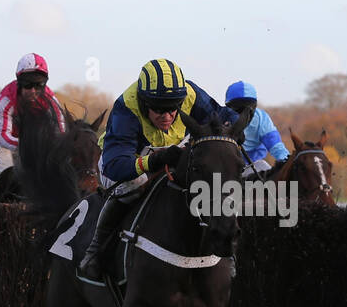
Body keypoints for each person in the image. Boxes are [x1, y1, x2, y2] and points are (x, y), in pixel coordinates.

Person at [77, 59, 236, 283]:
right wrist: (154, 161)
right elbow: (116, 165)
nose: (167, 116)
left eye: (173, 108)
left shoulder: (191, 94)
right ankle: (95, 250)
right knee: (134, 185)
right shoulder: (126, 107)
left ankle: (225, 248)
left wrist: (235, 127)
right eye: (159, 109)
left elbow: (224, 117)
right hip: (122, 161)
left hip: (171, 153)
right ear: (143, 102)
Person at [0, 52, 68, 202]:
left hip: (31, 138)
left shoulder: (51, 100)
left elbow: (61, 132)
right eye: (28, 85)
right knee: (3, 173)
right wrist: (29, 146)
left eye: (38, 85)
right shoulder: (6, 100)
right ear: (19, 83)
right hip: (1, 137)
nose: (33, 91)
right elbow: (3, 137)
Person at [224, 81, 288, 178]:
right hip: (226, 167)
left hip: (254, 166)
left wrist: (287, 163)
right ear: (228, 107)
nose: (244, 115)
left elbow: (276, 147)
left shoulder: (262, 119)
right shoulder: (220, 117)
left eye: (249, 110)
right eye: (239, 110)